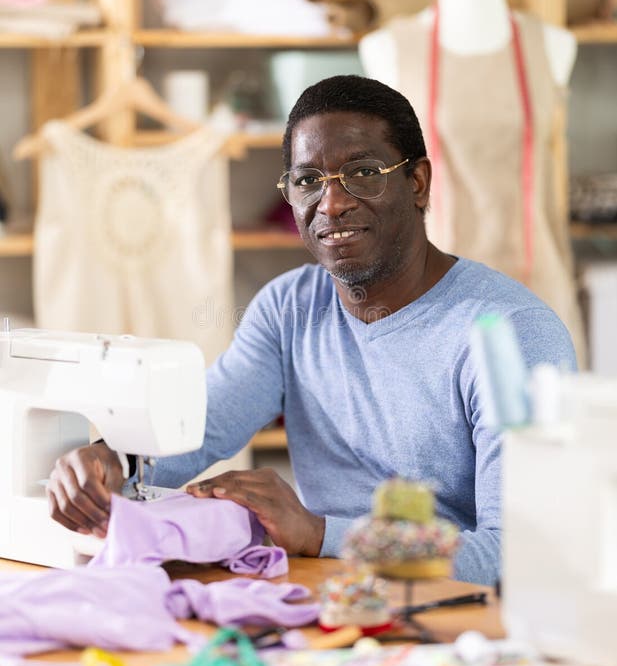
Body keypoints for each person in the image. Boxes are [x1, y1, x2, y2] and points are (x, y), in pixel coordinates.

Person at [47, 75, 576, 585]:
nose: (332, 203)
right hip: (329, 596)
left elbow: (517, 554)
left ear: (418, 183)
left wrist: (321, 534)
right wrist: (113, 462)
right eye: (307, 181)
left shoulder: (512, 336)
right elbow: (202, 425)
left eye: (363, 173)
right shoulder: (290, 309)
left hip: (458, 616)